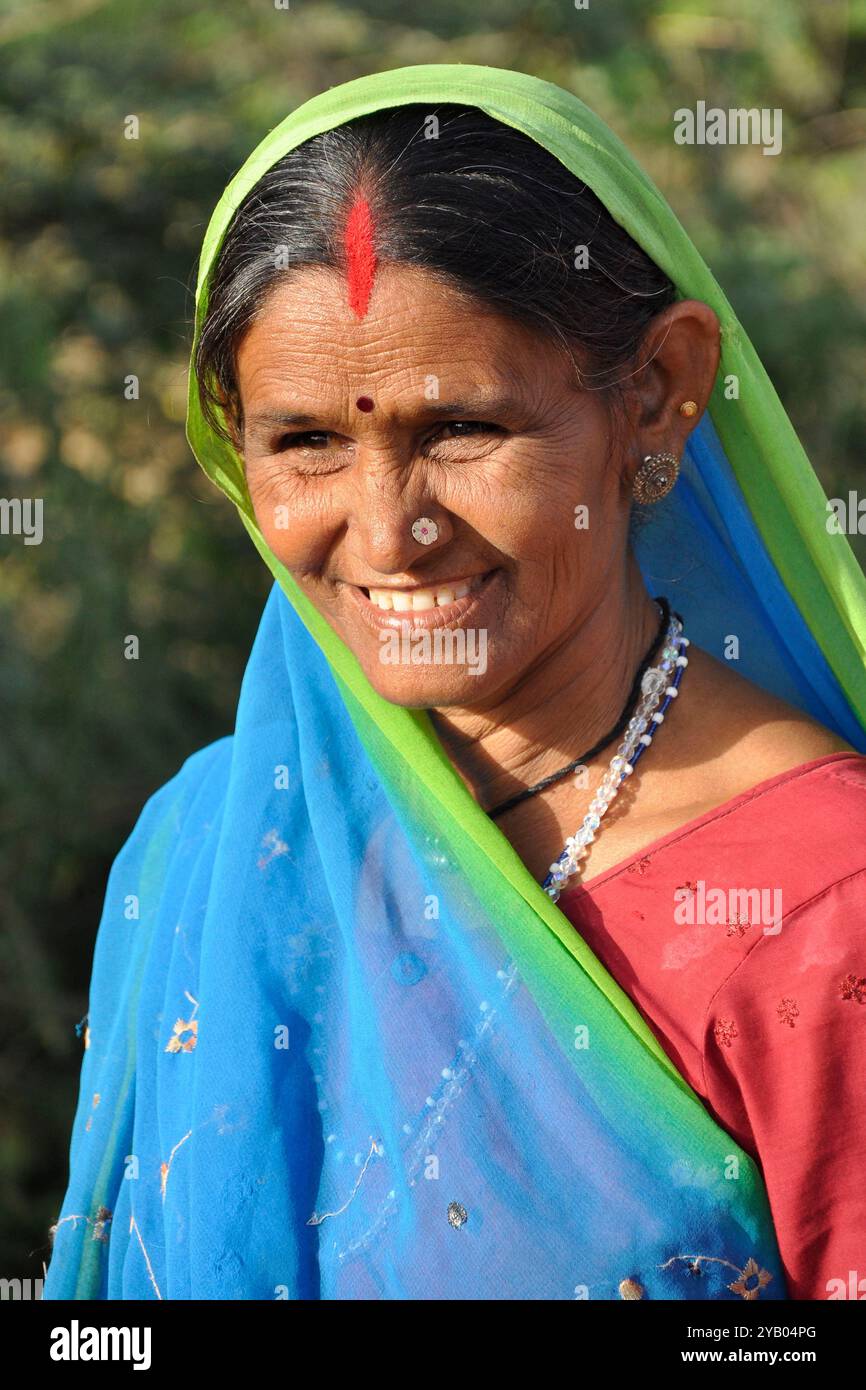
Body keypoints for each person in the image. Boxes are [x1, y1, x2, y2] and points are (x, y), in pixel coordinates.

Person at [43, 64, 866, 1301]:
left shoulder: (815, 905)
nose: (386, 534)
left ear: (654, 393)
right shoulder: (214, 840)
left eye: (459, 431)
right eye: (306, 441)